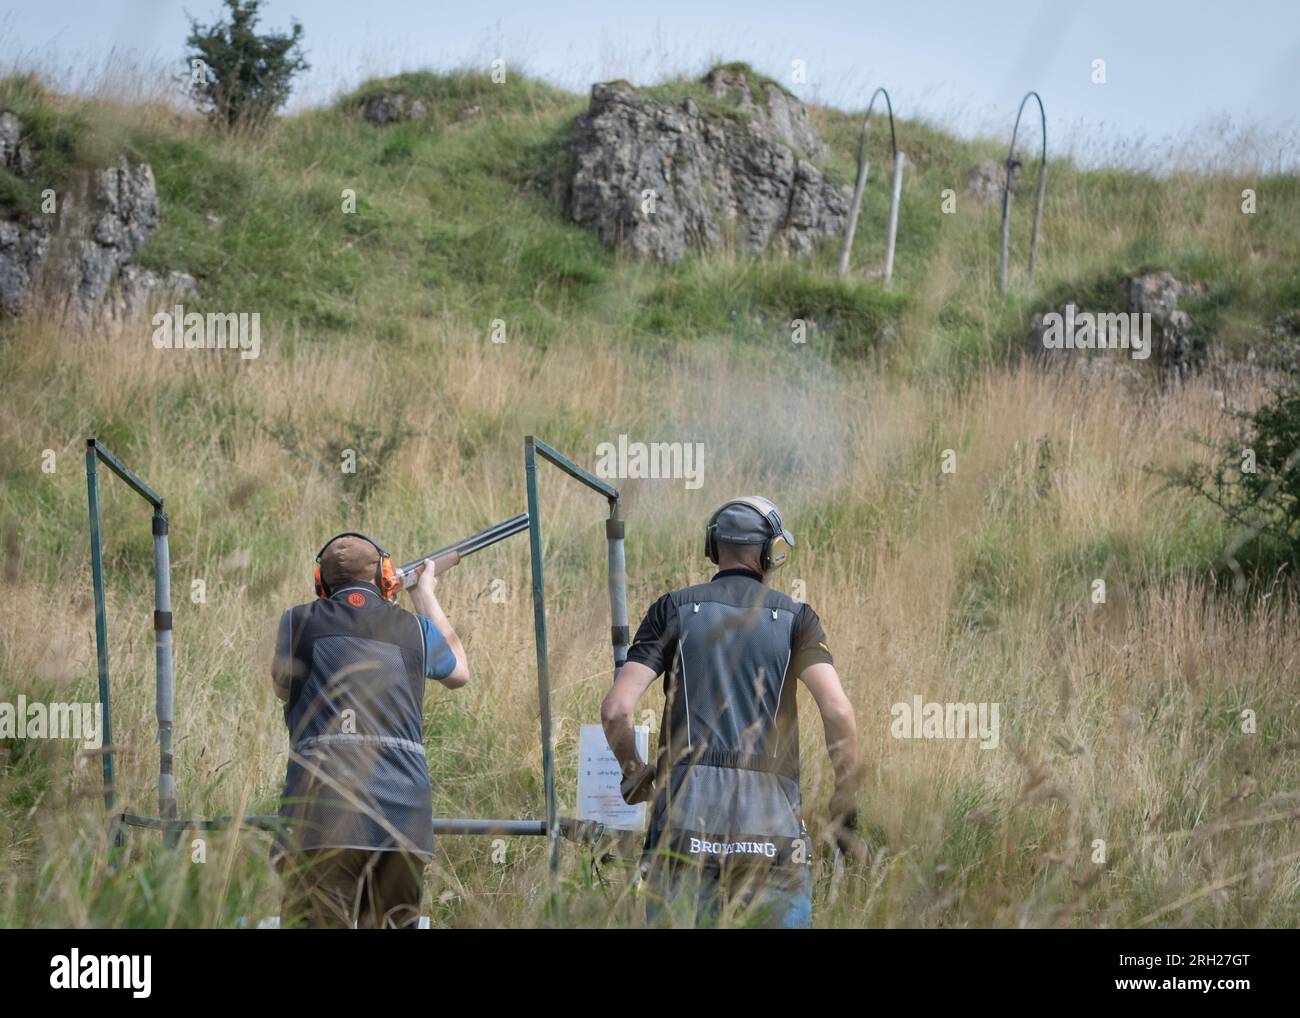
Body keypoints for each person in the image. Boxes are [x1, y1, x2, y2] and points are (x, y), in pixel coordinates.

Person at [601, 497, 859, 928]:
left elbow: (616, 710)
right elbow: (838, 712)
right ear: (769, 553)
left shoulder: (673, 609)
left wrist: (634, 772)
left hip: (680, 843)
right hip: (772, 844)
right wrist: (845, 801)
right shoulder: (797, 618)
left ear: (713, 547)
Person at [271, 532, 469, 928]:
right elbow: (459, 673)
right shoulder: (416, 629)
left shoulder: (295, 622)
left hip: (319, 820)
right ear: (385, 577)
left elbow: (281, 686)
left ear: (320, 582)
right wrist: (425, 594)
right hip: (402, 821)